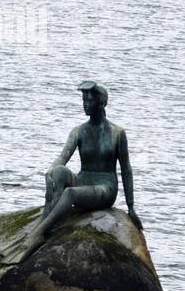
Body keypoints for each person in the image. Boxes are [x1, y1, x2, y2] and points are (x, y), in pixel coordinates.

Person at [24, 80, 143, 242]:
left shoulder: (117, 133)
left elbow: (126, 169)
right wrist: (51, 171)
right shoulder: (78, 131)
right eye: (83, 101)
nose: (85, 104)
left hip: (105, 188)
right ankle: (47, 217)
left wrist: (131, 206)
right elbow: (63, 157)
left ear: (101, 103)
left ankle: (40, 231)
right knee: (58, 172)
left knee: (70, 193)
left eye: (90, 101)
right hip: (83, 181)